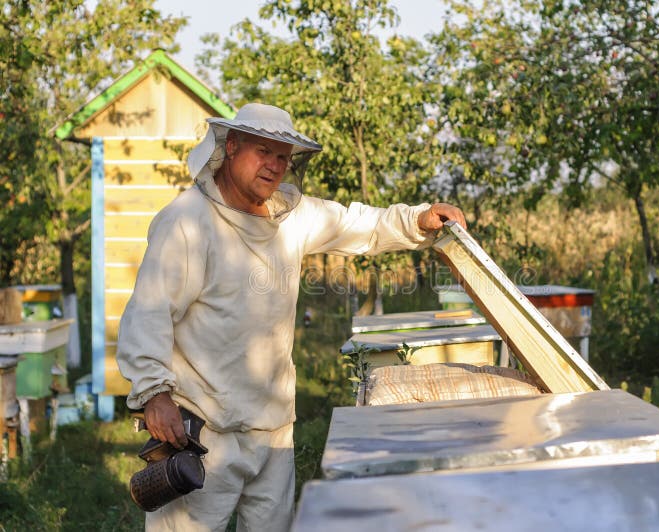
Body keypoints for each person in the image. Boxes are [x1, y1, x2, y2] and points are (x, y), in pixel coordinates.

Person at [116, 103, 466, 531]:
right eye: (264, 151)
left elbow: (360, 224)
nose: (275, 166)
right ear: (231, 146)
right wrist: (155, 394)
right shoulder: (186, 222)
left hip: (274, 431)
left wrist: (418, 219)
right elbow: (150, 311)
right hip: (203, 433)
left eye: (283, 157)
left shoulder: (291, 215)